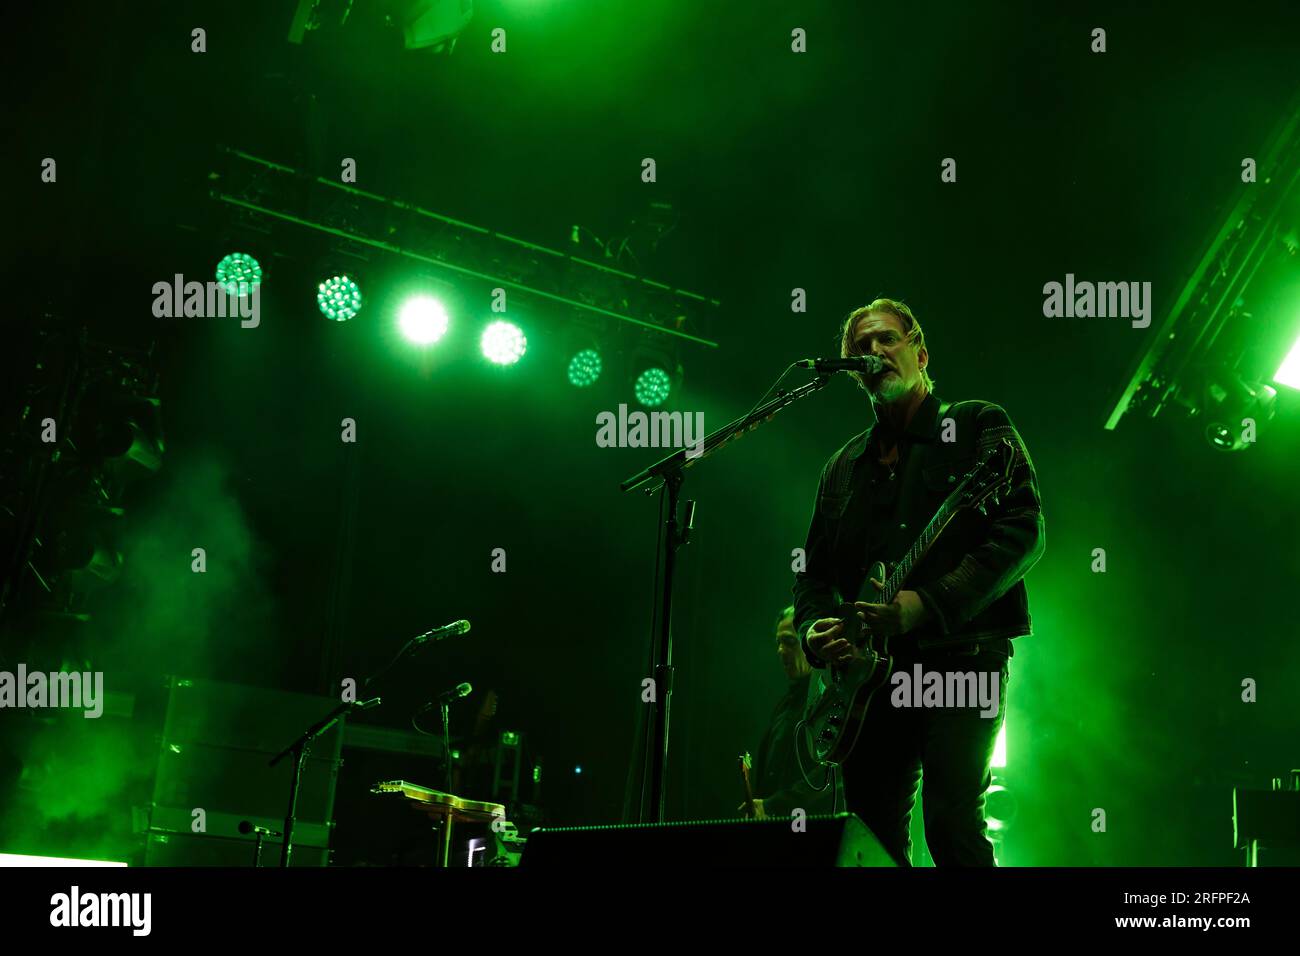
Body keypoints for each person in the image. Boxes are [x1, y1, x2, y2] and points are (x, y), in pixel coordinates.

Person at [793, 298, 1045, 866]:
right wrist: (814, 631)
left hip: (962, 657)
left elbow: (1024, 532)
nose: (873, 353)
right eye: (860, 348)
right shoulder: (842, 468)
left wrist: (928, 603)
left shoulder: (977, 425)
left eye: (886, 340)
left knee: (951, 825)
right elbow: (811, 575)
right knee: (870, 838)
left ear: (921, 353)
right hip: (870, 679)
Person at [740, 606, 839, 819]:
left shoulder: (830, 697)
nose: (780, 650)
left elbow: (832, 774)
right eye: (779, 642)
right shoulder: (785, 706)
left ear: (812, 641)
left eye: (789, 641)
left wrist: (773, 806)